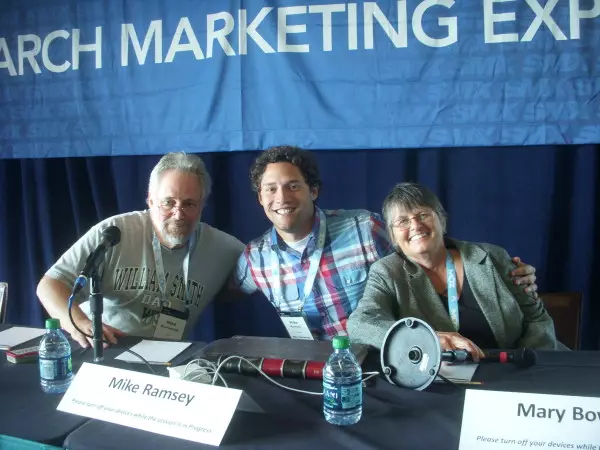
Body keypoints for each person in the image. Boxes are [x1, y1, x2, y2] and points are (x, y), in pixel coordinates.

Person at [233, 146, 539, 340]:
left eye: (293, 186)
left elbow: (423, 252)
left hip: (381, 362)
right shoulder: (253, 259)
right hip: (311, 371)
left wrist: (503, 272)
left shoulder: (365, 228)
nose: (281, 198)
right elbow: (224, 292)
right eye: (270, 189)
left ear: (313, 191)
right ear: (260, 198)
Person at [37, 152, 245, 348]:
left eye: (189, 204)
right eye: (168, 203)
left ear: (202, 206)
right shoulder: (114, 233)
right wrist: (79, 323)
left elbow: (265, 267)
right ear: (151, 200)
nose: (178, 214)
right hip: (108, 348)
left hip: (168, 358)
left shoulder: (224, 248)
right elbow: (50, 285)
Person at [347, 182, 565, 359]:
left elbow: (537, 319)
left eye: (423, 215)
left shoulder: (491, 257)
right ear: (393, 236)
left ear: (441, 219)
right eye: (402, 221)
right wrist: (423, 337)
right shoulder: (387, 272)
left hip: (515, 369)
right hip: (441, 382)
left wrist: (526, 365)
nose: (415, 225)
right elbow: (360, 325)